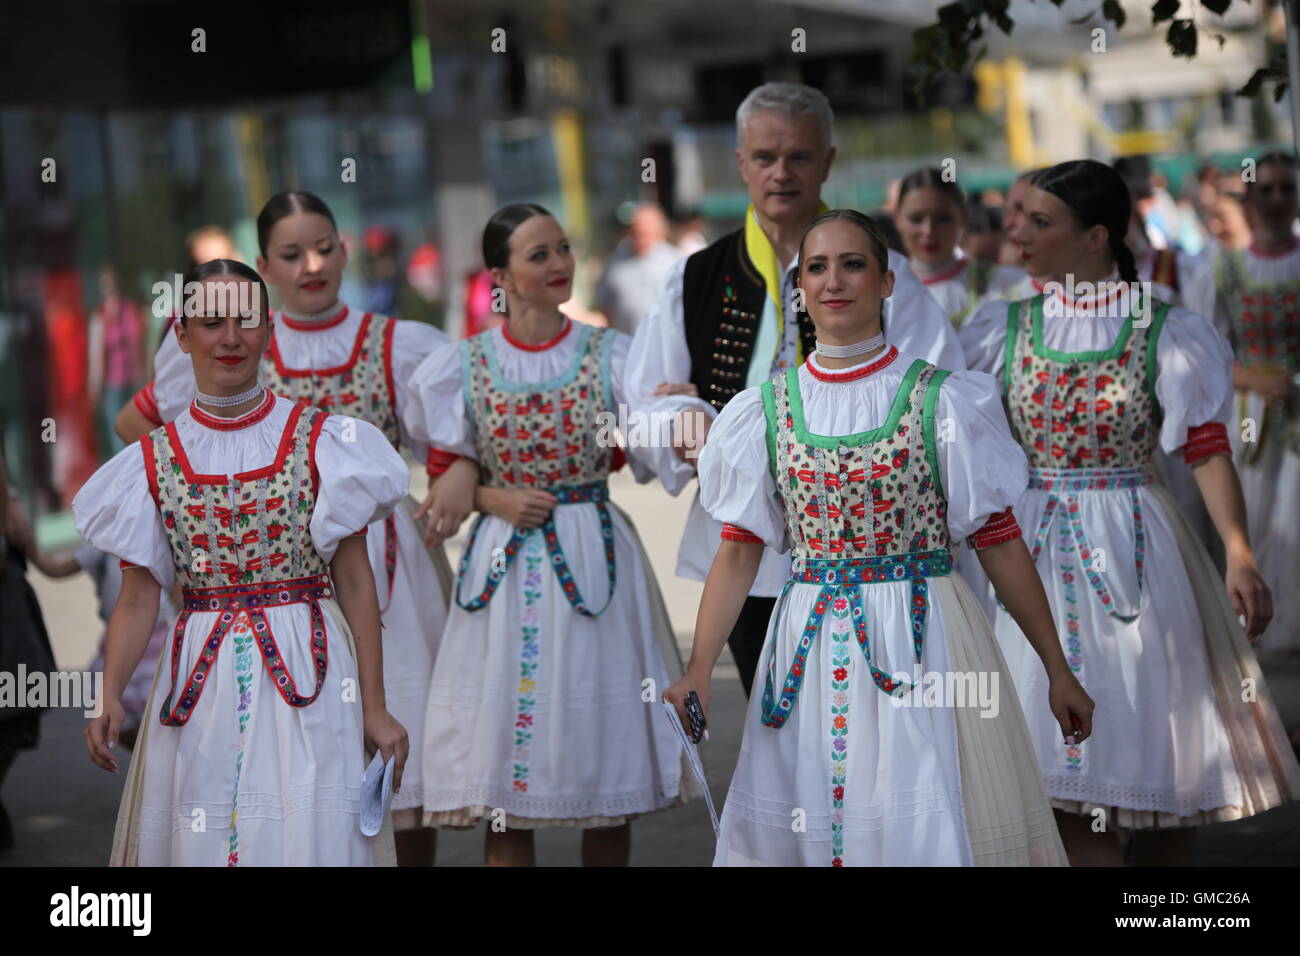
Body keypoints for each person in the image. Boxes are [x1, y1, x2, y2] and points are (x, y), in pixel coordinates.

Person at [664, 209, 1085, 866]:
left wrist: (1057, 669)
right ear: (799, 285)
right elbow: (739, 549)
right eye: (817, 267)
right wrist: (696, 670)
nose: (834, 281)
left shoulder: (942, 400)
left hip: (925, 638)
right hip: (807, 641)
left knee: (918, 817)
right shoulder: (763, 409)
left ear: (888, 283)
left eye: (853, 264)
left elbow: (999, 540)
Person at [960, 160, 1300, 865]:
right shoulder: (1004, 325)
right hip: (1038, 553)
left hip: (1138, 547)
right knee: (1056, 775)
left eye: (1040, 221)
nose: (1018, 232)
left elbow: (1207, 448)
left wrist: (1239, 553)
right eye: (1021, 217)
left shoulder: (1165, 327)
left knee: (1162, 767)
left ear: (1095, 238)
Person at [112, 191, 454, 866]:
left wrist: (460, 481)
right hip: (246, 584)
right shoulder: (224, 342)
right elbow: (139, 426)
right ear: (267, 265)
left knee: (385, 756)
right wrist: (196, 527)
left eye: (324, 247)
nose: (312, 264)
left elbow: (444, 448)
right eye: (293, 254)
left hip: (378, 574)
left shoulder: (391, 342)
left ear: (345, 248)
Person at [629, 82, 964, 700]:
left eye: (799, 158)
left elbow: (941, 400)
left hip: (872, 547)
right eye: (764, 157)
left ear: (827, 162)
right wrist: (683, 416)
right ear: (740, 163)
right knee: (776, 723)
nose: (781, 173)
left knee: (878, 720)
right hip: (742, 553)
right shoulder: (695, 277)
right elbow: (641, 411)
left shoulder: (887, 274)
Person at [410, 204, 699, 866]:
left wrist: (680, 412)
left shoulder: (609, 353)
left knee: (604, 763)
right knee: (507, 781)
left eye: (563, 249)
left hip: (594, 551)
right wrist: (491, 495)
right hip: (504, 565)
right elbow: (446, 484)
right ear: (501, 276)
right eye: (538, 254)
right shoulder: (464, 365)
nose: (559, 264)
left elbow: (655, 447)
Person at [1188, 151, 1300, 659]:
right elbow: (1201, 354)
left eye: (1286, 189)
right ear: (1250, 198)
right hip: (1253, 418)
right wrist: (1253, 375)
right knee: (1259, 524)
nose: (1277, 200)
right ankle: (1270, 638)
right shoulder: (1225, 269)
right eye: (1267, 190)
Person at [896, 167, 1020, 329]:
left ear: (963, 216)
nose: (928, 231)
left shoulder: (1005, 284)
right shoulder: (882, 294)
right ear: (897, 218)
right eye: (916, 219)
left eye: (942, 219)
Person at [593, 204, 682, 336]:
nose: (641, 237)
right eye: (637, 232)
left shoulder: (674, 261)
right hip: (626, 343)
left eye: (646, 233)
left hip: (663, 343)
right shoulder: (616, 259)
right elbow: (604, 303)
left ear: (659, 231)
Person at [87, 265, 147, 456]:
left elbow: (141, 342)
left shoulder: (130, 310)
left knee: (136, 431)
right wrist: (95, 384)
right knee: (117, 435)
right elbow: (96, 352)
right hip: (112, 380)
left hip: (133, 378)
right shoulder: (101, 314)